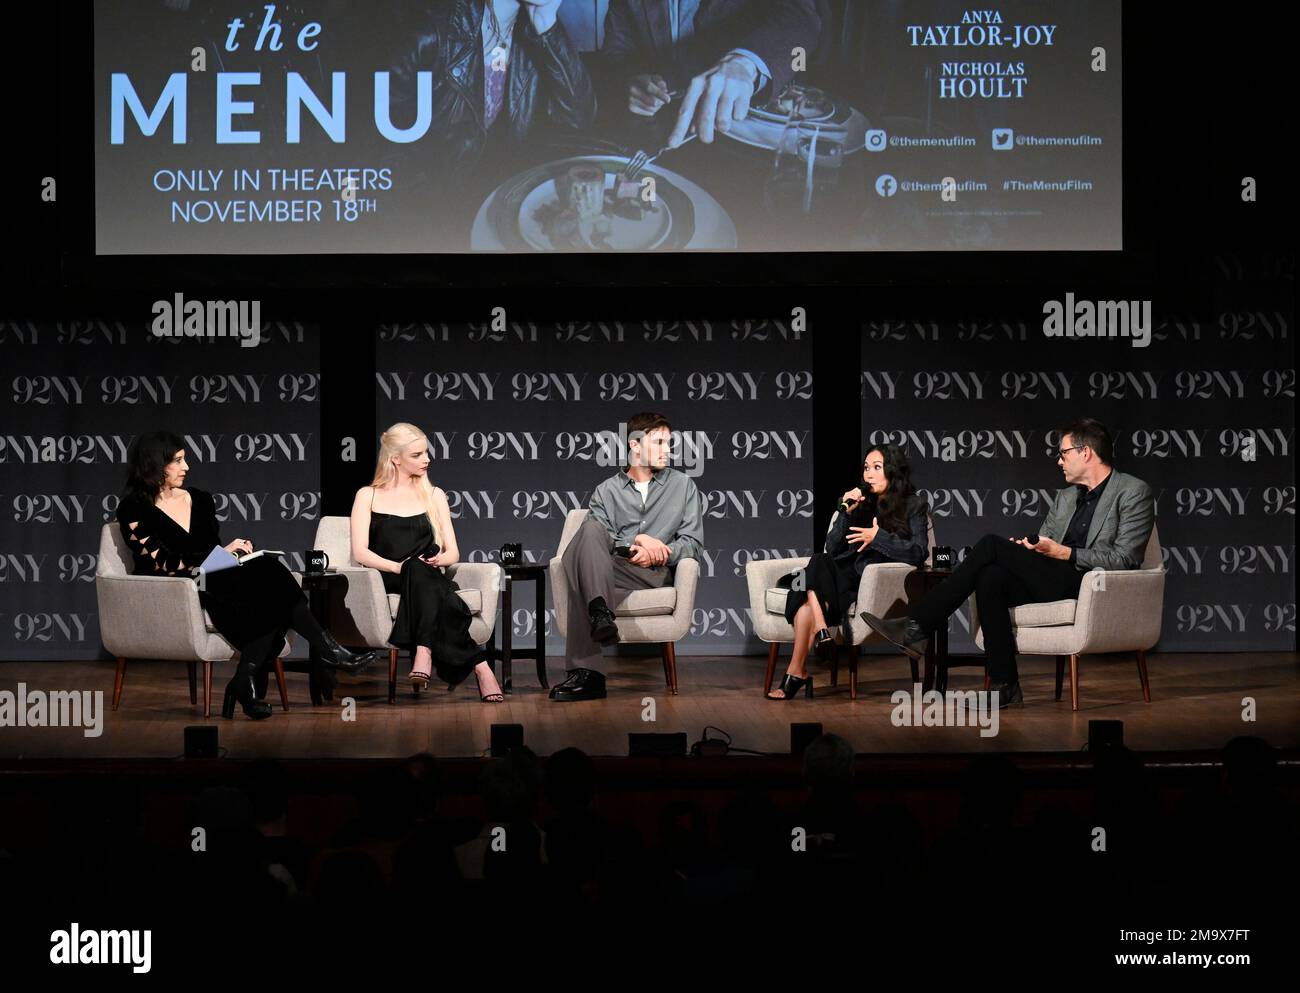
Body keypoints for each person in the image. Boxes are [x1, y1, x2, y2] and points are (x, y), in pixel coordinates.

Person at [862, 418, 1156, 709]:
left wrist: (1065, 553)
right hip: (1053, 574)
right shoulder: (1066, 497)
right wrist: (1032, 548)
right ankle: (1006, 686)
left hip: (1092, 584)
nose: (1059, 461)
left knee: (991, 545)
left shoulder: (1132, 492)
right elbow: (1046, 540)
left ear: (1085, 452)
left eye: (1063, 453)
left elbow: (1126, 559)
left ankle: (917, 626)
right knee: (991, 576)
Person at [116, 432, 381, 721]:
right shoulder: (134, 508)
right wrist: (221, 553)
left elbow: (208, 549)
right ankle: (325, 652)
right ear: (155, 465)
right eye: (178, 461)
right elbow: (164, 563)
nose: (187, 467)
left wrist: (232, 553)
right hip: (181, 586)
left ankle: (248, 680)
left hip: (216, 574)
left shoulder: (200, 500)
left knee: (267, 569)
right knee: (270, 595)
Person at [551, 411, 704, 701]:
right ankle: (600, 612)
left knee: (579, 563)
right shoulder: (605, 491)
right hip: (614, 569)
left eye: (668, 444)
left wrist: (659, 551)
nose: (667, 450)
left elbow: (694, 544)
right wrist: (635, 542)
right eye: (658, 443)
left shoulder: (683, 487)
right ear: (634, 445)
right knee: (590, 531)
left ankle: (589, 673)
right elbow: (599, 541)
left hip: (653, 574)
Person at [350, 423, 503, 702]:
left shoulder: (434, 495)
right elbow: (360, 552)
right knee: (418, 572)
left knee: (422, 571)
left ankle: (424, 649)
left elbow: (453, 553)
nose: (426, 460)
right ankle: (480, 666)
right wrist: (400, 566)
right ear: (395, 458)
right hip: (390, 574)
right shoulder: (367, 495)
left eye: (426, 453)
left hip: (429, 576)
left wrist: (439, 559)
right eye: (417, 455)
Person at [768, 444, 929, 699]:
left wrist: (878, 537)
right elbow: (832, 549)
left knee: (807, 590)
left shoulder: (914, 504)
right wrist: (844, 512)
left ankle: (800, 667)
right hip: (838, 574)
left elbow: (919, 552)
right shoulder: (860, 503)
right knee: (820, 560)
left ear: (893, 472)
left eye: (877, 468)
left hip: (867, 582)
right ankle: (805, 656)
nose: (869, 474)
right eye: (866, 468)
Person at [386, 0, 597, 192]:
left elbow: (579, 117)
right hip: (438, 204)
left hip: (500, 193)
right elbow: (385, 150)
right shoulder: (430, 31)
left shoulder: (535, 28)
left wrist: (547, 25)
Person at [600, 0, 821, 144]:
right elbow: (618, 53)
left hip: (747, 141)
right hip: (662, 136)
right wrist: (632, 81)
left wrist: (745, 63)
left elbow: (802, 19)